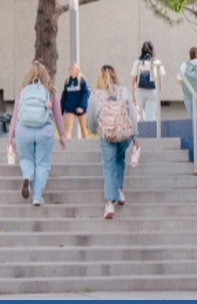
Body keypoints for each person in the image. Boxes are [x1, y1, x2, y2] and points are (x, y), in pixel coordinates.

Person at [7, 60, 67, 206]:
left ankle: (27, 177)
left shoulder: (22, 92)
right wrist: (62, 136)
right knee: (42, 163)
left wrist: (10, 139)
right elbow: (58, 116)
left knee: (26, 158)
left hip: (23, 130)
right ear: (46, 75)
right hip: (44, 131)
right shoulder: (51, 92)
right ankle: (37, 197)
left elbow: (15, 115)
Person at [87, 65, 139, 219]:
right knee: (120, 160)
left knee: (109, 165)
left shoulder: (95, 95)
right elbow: (132, 115)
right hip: (124, 135)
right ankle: (120, 192)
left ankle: (110, 203)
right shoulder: (124, 91)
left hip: (107, 134)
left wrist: (94, 129)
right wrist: (135, 136)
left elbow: (90, 119)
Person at [130, 41, 166, 122]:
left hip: (139, 90)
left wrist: (133, 96)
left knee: (141, 117)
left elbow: (133, 80)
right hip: (152, 91)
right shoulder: (157, 62)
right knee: (151, 116)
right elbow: (160, 79)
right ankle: (152, 132)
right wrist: (159, 92)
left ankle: (142, 133)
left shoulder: (137, 62)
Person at [60, 63, 91, 139]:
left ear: (77, 70)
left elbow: (86, 94)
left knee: (83, 128)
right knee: (69, 128)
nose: (70, 70)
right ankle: (67, 148)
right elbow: (64, 96)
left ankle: (86, 146)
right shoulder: (67, 81)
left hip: (80, 107)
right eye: (69, 69)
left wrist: (82, 107)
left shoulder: (82, 80)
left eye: (72, 69)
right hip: (70, 107)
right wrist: (60, 110)